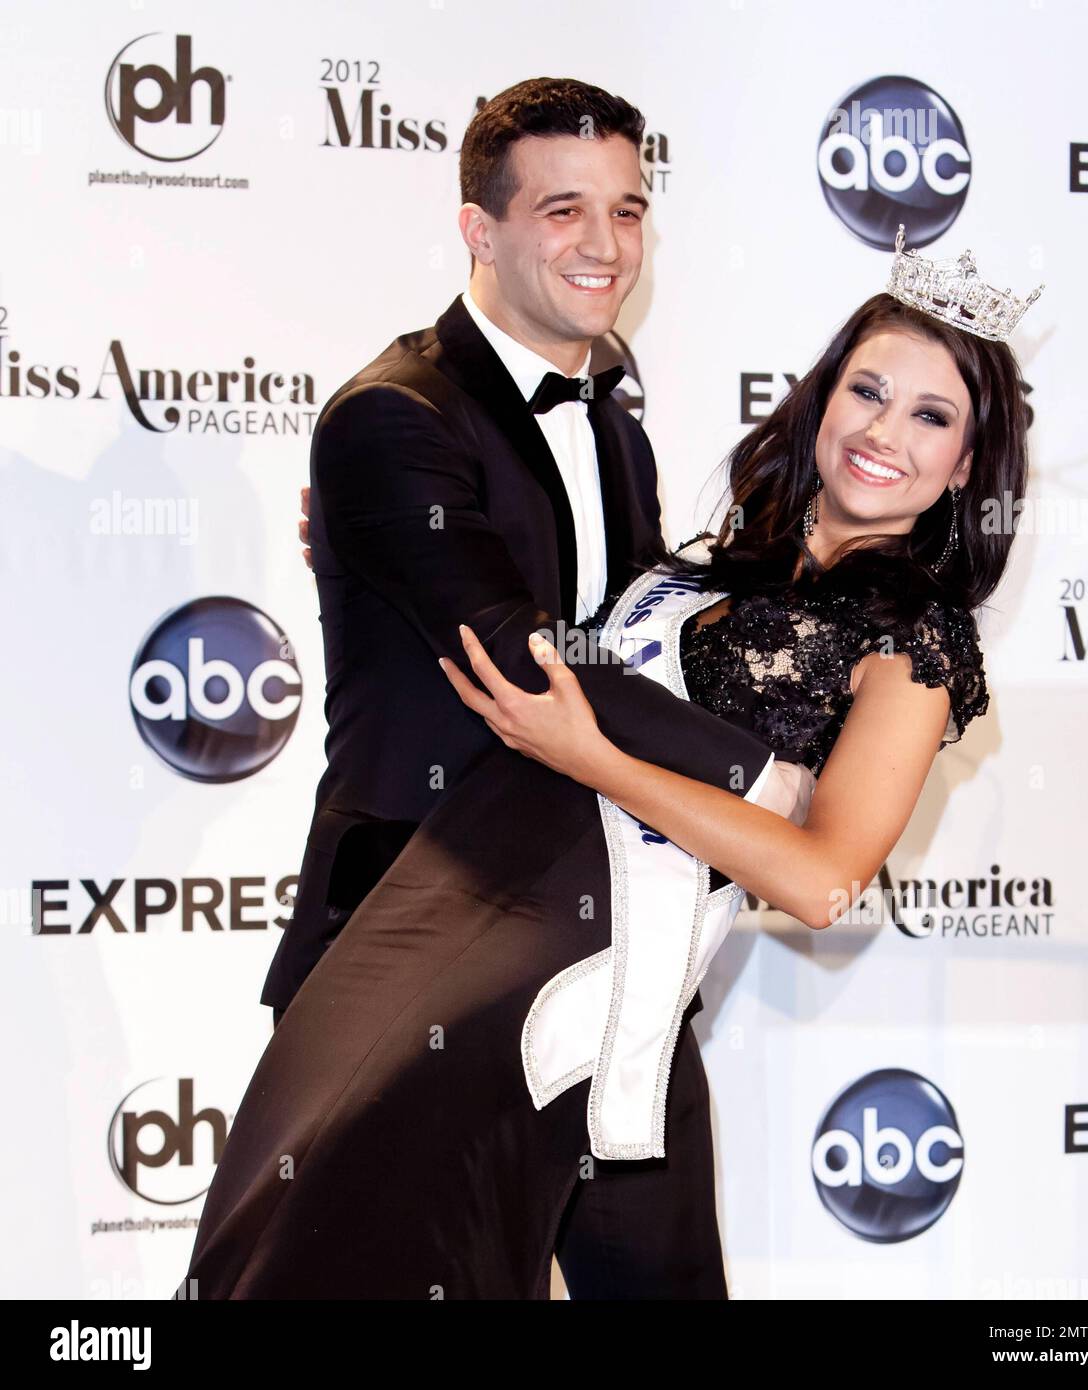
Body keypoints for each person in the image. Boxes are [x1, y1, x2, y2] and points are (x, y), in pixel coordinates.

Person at [174, 217, 1040, 1297]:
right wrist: (369, 538)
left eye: (931, 416)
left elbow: (824, 879)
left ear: (966, 465)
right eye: (867, 391)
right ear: (822, 399)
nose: (885, 434)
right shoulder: (711, 559)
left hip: (594, 1007)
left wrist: (595, 759)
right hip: (506, 953)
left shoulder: (914, 639)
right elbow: (539, 632)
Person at [249, 76, 793, 1299]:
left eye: (628, 208)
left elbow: (644, 644)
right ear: (478, 227)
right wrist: (765, 781)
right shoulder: (391, 418)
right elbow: (519, 651)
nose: (605, 245)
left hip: (615, 955)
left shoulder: (616, 418)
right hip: (422, 948)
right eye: (563, 210)